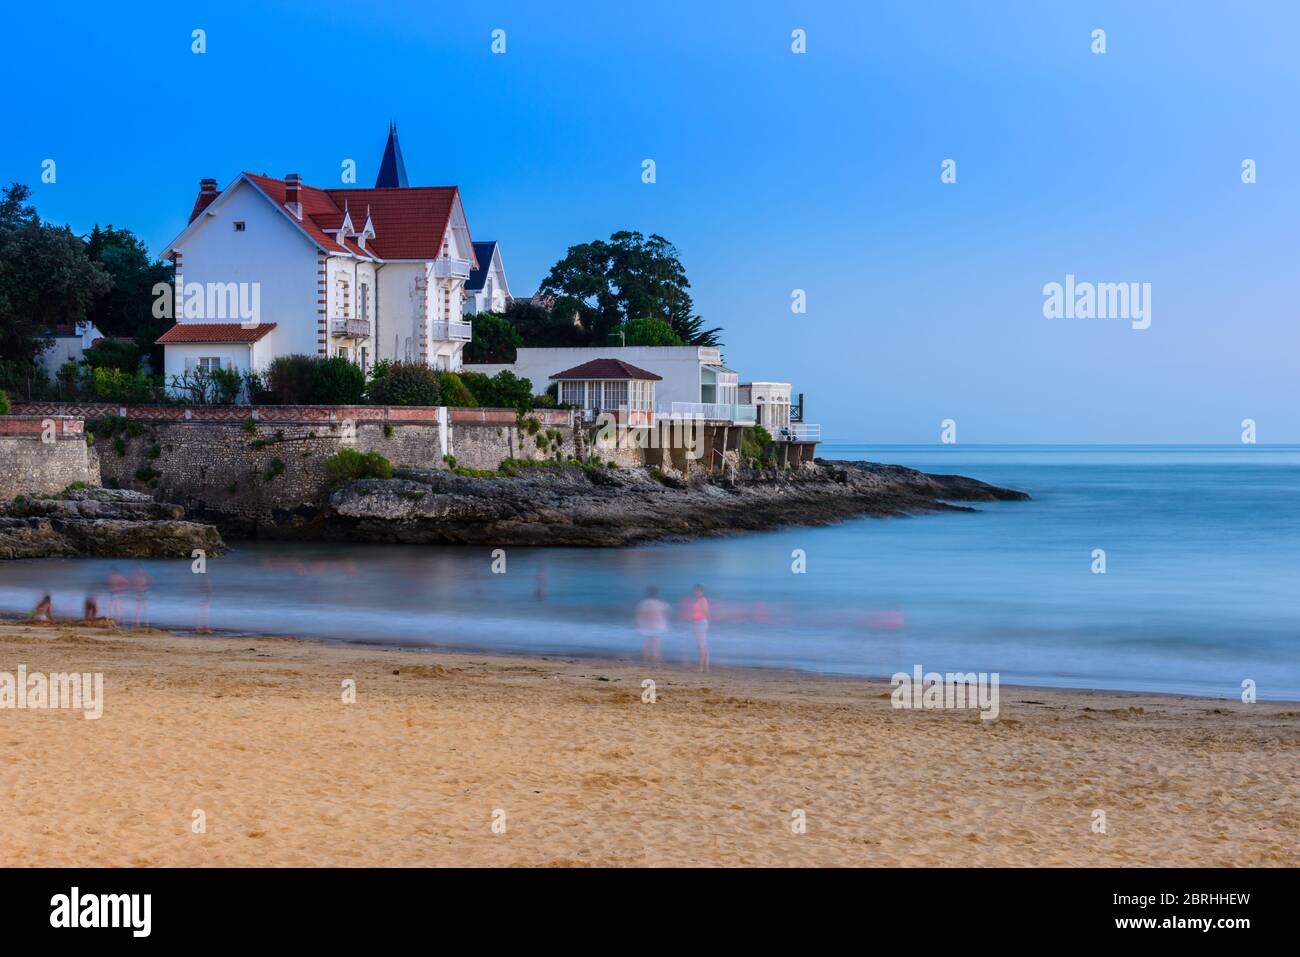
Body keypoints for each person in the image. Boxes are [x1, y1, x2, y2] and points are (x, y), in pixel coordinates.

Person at [635, 586, 671, 664]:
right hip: (658, 627)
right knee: (656, 647)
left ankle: (645, 662)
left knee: (646, 646)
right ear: (657, 594)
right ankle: (656, 663)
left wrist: (639, 625)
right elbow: (667, 613)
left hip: (645, 627)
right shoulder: (661, 604)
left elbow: (639, 616)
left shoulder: (643, 604)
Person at [685, 584, 711, 672]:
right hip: (699, 623)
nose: (696, 592)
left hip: (700, 623)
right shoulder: (699, 600)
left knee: (701, 646)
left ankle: (701, 667)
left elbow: (705, 613)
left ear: (702, 591)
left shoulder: (702, 600)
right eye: (695, 591)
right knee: (703, 645)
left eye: (698, 591)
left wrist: (697, 622)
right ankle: (706, 667)